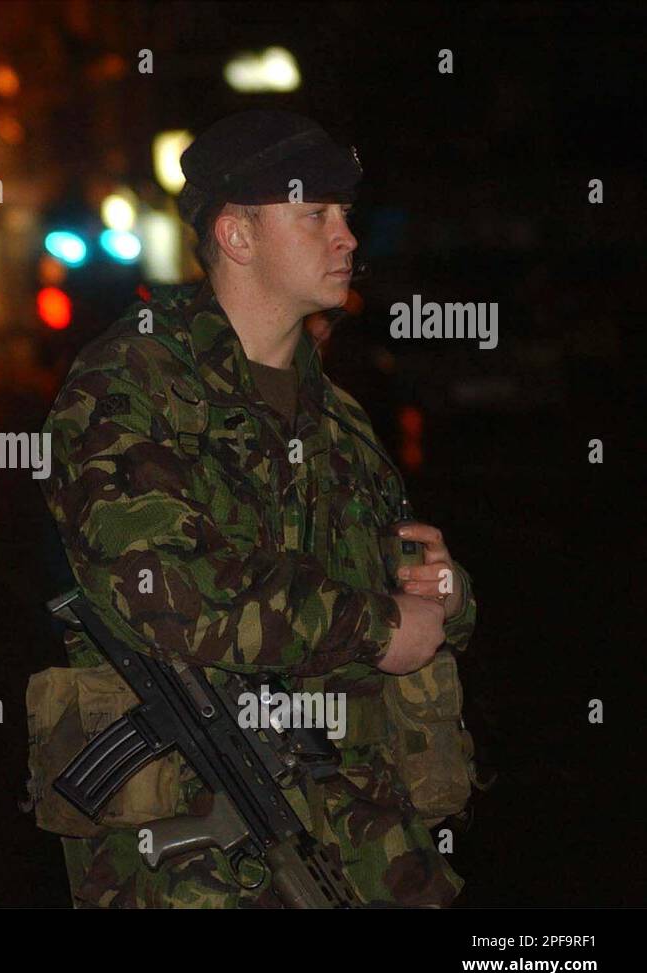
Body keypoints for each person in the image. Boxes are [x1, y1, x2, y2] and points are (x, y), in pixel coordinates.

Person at [37, 110, 478, 908]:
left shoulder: (337, 415)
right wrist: (378, 625)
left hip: (366, 847)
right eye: (317, 215)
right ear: (236, 235)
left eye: (346, 216)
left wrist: (445, 592)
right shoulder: (134, 383)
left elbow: (405, 597)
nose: (347, 238)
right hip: (207, 867)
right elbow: (165, 590)